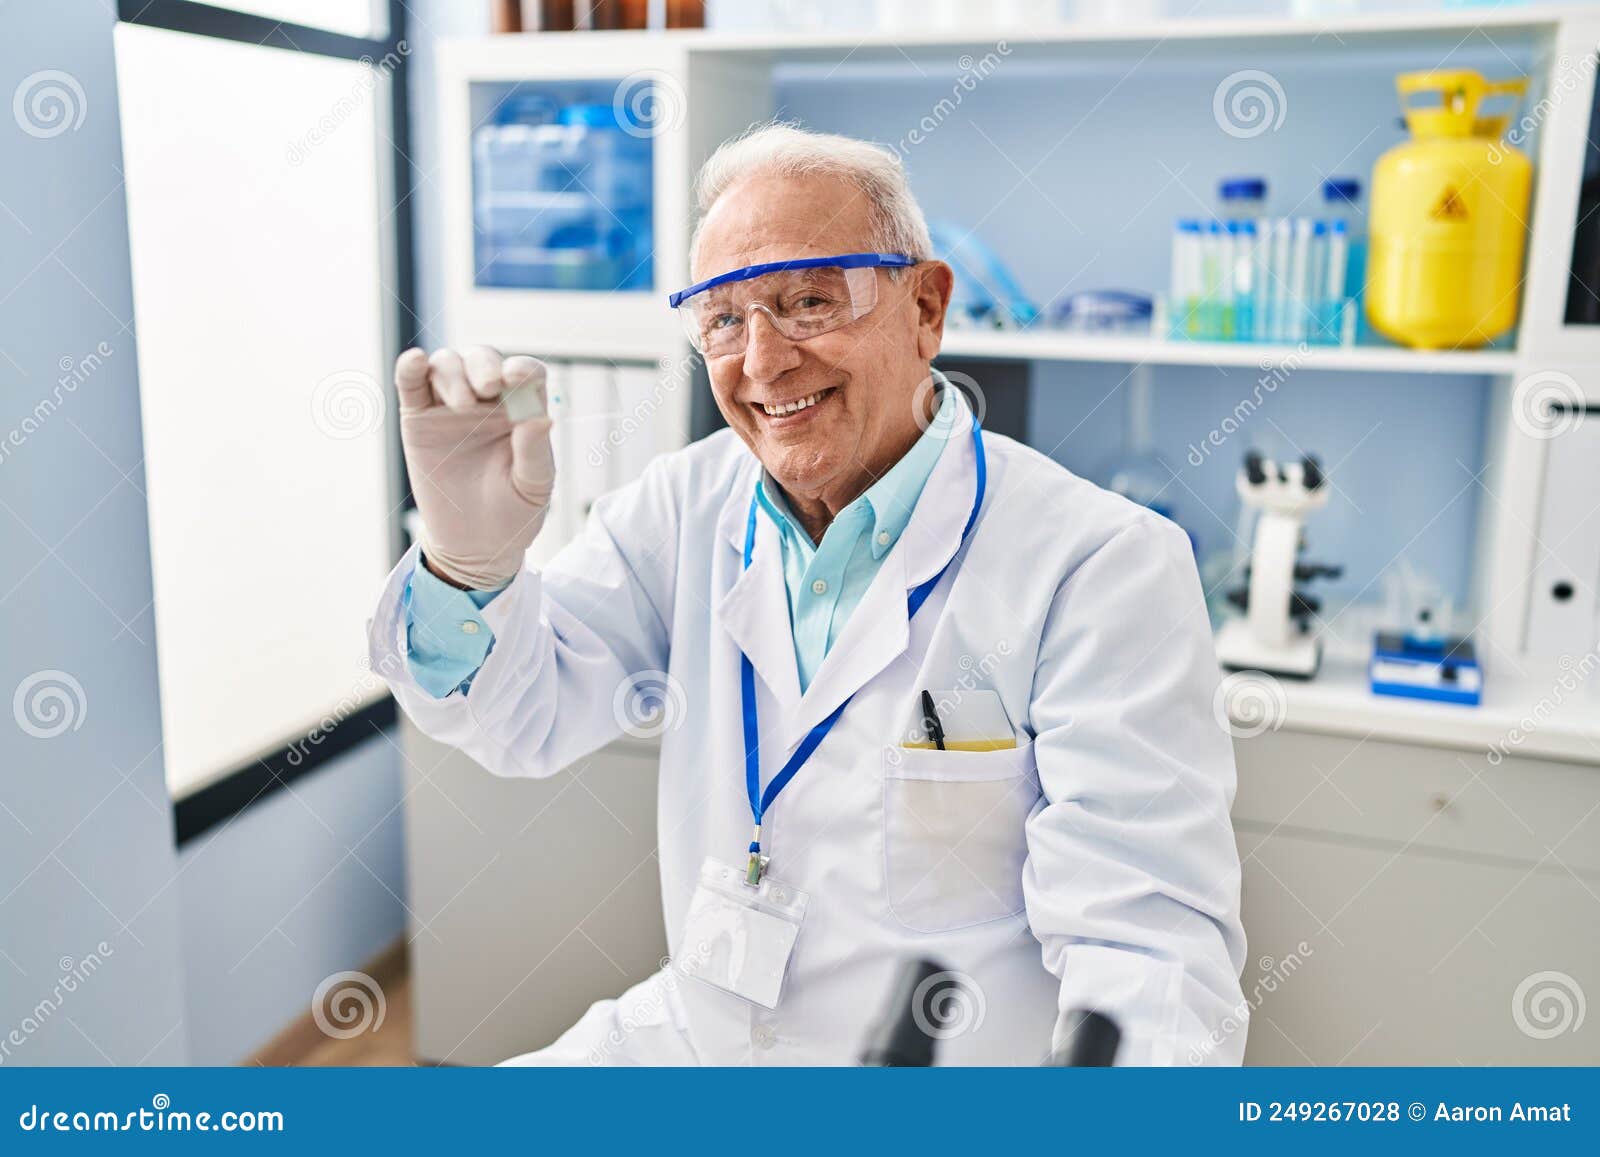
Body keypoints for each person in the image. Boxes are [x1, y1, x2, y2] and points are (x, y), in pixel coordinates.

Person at [369, 123, 1248, 1065]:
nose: (763, 361)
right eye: (722, 319)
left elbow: (1147, 958)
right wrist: (469, 566)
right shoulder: (683, 506)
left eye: (807, 301)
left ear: (927, 306)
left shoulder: (1100, 564)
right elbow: (518, 718)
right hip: (697, 1044)